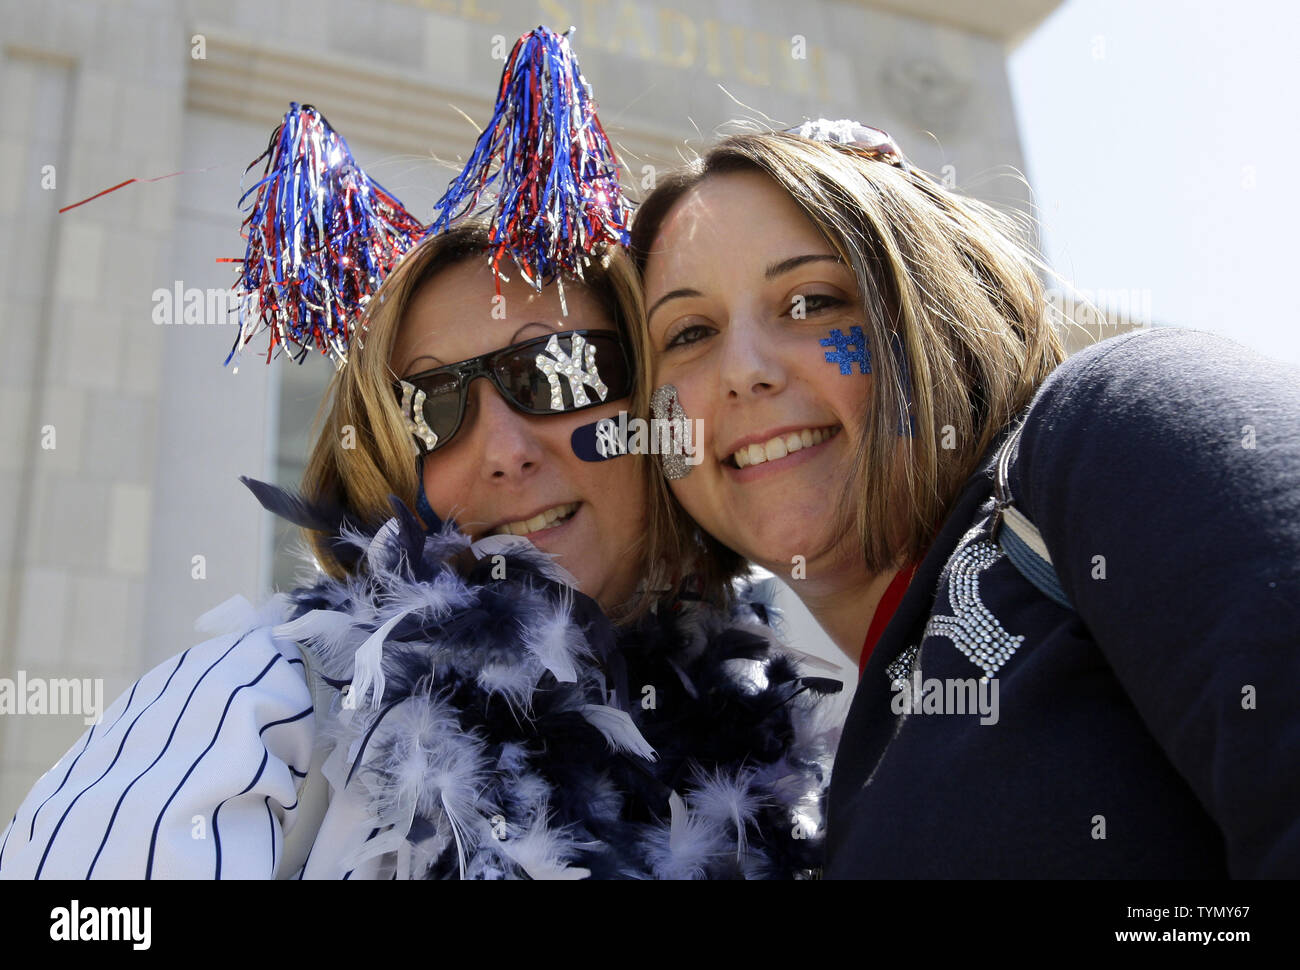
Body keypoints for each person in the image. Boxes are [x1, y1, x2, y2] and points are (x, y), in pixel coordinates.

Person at [0, 32, 838, 881]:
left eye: (557, 371)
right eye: (430, 409)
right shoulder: (259, 713)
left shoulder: (781, 759)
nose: (503, 451)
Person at [628, 120, 1300, 877]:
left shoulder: (1117, 415)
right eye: (687, 334)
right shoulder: (826, 787)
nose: (742, 370)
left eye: (812, 301)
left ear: (933, 312)